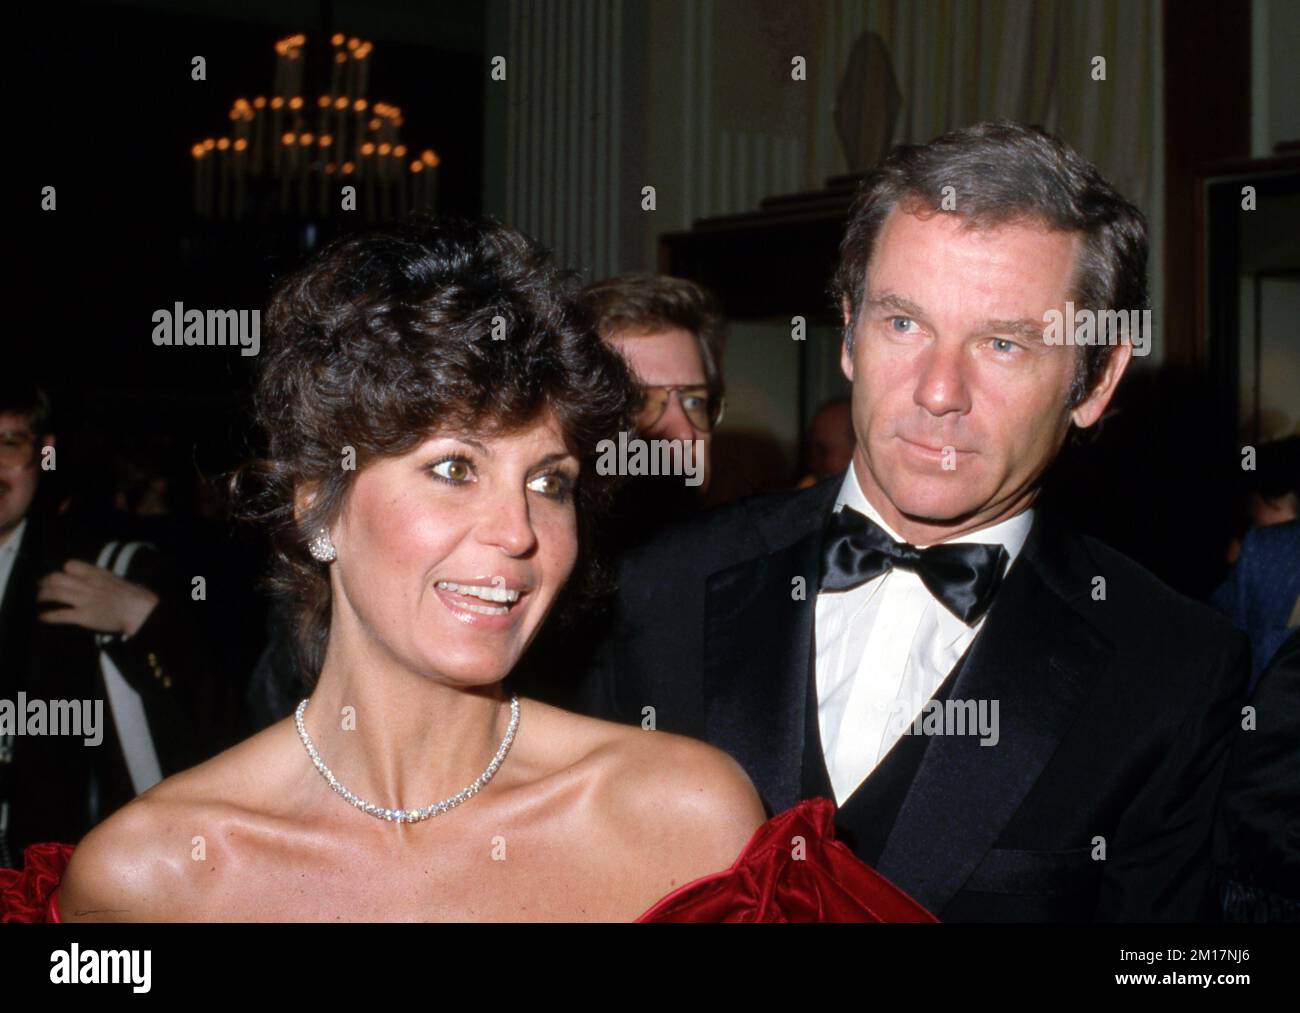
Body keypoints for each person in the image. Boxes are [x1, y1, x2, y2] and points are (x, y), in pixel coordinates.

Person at [0, 217, 935, 923]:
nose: (518, 532)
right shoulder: (148, 877)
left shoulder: (683, 821)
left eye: (550, 481)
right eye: (454, 468)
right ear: (317, 503)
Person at [573, 121, 1251, 921]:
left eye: (1002, 343)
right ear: (850, 331)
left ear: (1095, 381)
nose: (938, 390)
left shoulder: (1170, 669)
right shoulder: (654, 590)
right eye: (903, 324)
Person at [0, 381, 216, 866]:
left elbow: (220, 712)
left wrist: (146, 619)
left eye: (9, 443)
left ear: (43, 453)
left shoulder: (104, 568)